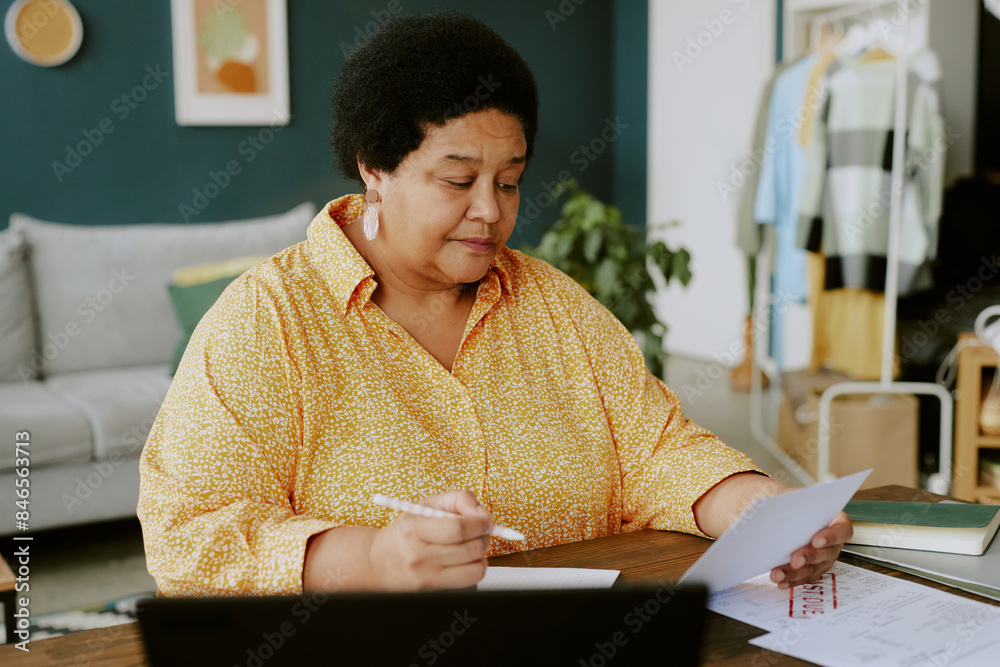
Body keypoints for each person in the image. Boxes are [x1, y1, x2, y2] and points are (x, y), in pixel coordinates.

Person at [137, 12, 851, 597]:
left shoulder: (554, 306)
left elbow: (658, 453)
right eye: (457, 179)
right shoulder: (268, 322)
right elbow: (191, 536)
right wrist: (377, 561)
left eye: (509, 181)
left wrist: (758, 510)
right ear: (374, 169)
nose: (489, 211)